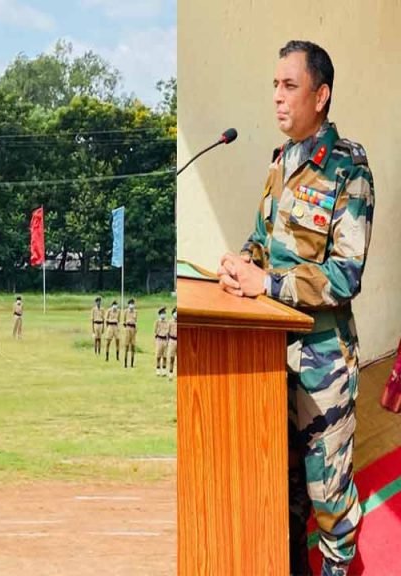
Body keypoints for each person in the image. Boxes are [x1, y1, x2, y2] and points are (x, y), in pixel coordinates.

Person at [214, 41, 372, 575]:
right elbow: (259, 242)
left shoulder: (348, 167)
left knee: (329, 503)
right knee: (282, 492)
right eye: (274, 86)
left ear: (320, 95)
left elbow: (345, 276)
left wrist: (268, 283)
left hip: (323, 365)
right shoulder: (280, 164)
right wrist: (238, 265)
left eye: (290, 87)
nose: (277, 99)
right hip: (270, 357)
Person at [154, 307, 169, 376]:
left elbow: (168, 332)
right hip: (159, 339)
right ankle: (158, 369)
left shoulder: (167, 322)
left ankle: (164, 370)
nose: (164, 315)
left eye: (164, 313)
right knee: (158, 356)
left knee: (165, 356)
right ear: (159, 314)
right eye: (162, 313)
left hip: (165, 340)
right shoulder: (157, 322)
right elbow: (155, 331)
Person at [122, 299, 138, 369]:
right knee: (126, 346)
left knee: (133, 346)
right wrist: (127, 327)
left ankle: (132, 363)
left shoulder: (136, 312)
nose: (132, 305)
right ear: (128, 304)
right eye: (131, 304)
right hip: (128, 328)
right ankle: (125, 363)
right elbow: (124, 322)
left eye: (133, 304)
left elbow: (136, 320)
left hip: (133, 329)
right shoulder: (126, 311)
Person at [166, 307, 177, 379]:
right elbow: (167, 333)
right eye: (175, 312)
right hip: (172, 340)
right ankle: (170, 372)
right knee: (172, 357)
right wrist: (167, 342)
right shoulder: (170, 322)